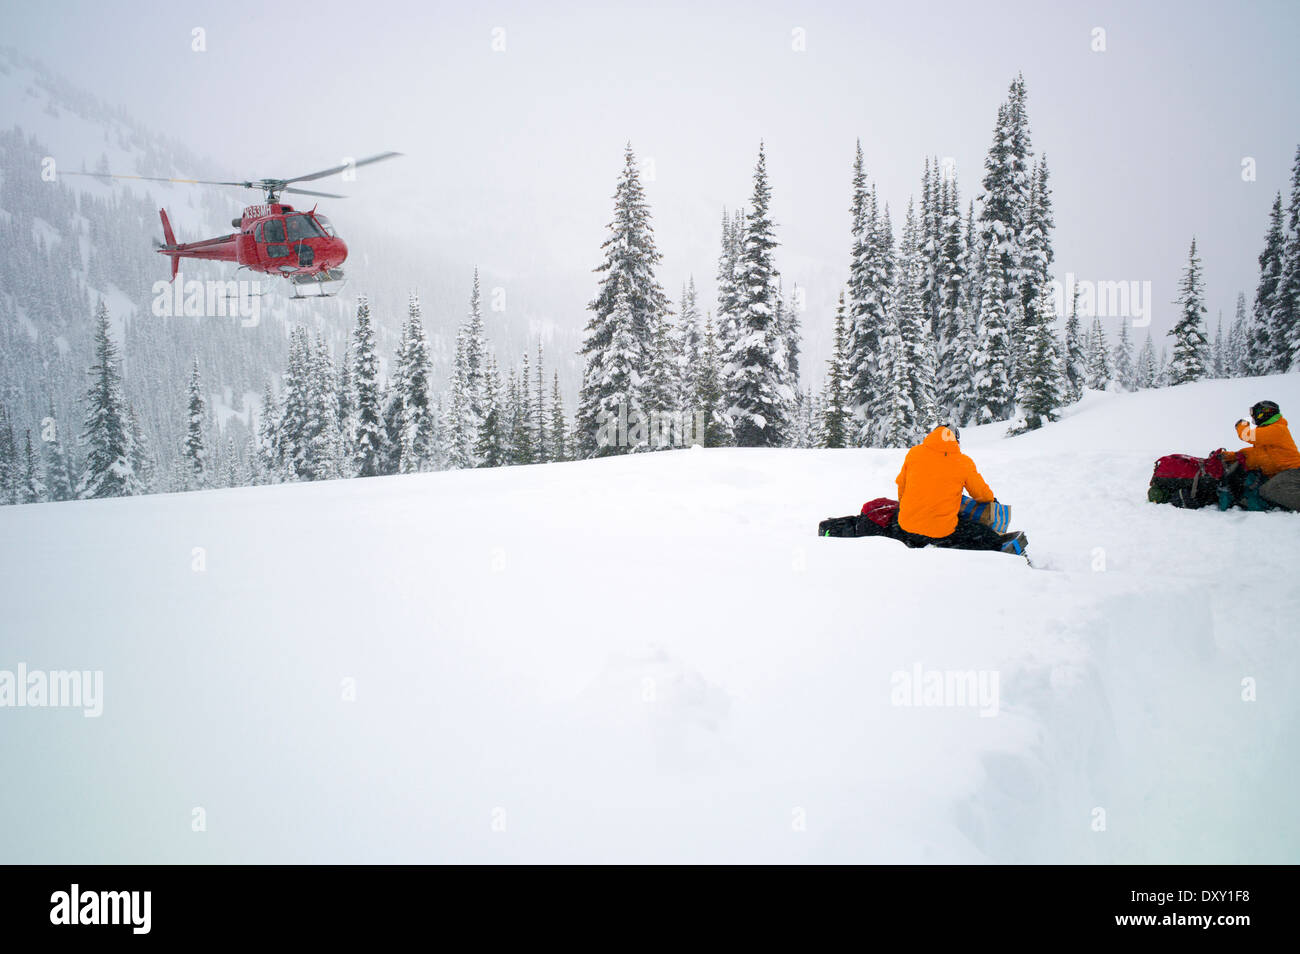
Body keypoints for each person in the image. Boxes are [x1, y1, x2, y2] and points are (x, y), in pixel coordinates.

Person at [894, 425, 1027, 554]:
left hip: (907, 528)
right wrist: (992, 501)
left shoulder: (914, 453)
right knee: (988, 537)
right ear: (955, 440)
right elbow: (981, 494)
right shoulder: (963, 462)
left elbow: (901, 486)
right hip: (941, 531)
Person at [1228, 400, 1300, 511]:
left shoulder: (1277, 429)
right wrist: (1232, 456)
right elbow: (1257, 454)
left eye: (1254, 412)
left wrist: (1242, 425)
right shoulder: (1267, 434)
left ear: (1264, 413)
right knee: (1257, 490)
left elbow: (1247, 435)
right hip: (1283, 474)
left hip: (1294, 471)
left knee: (1270, 489)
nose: (1253, 416)